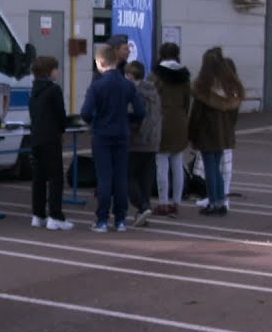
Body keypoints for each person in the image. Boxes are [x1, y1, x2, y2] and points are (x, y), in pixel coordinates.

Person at [80, 43, 144, 232]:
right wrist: (128, 120)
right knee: (120, 177)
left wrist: (95, 121)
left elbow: (85, 113)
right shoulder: (128, 85)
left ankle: (102, 219)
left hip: (102, 135)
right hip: (122, 134)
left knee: (104, 177)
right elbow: (140, 111)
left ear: (101, 62)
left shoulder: (97, 86)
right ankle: (121, 219)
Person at [187, 47, 244, 217]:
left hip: (207, 134)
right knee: (217, 169)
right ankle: (220, 201)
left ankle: (213, 202)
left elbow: (196, 115)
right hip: (224, 133)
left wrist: (191, 133)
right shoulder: (231, 88)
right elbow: (234, 115)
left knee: (210, 169)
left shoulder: (203, 88)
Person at [27, 55, 73, 231]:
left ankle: (38, 214)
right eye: (55, 68)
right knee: (55, 177)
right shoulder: (54, 90)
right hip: (51, 138)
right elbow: (60, 114)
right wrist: (63, 128)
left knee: (38, 178)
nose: (58, 71)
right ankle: (55, 216)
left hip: (36, 137)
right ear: (49, 71)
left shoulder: (34, 90)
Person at [150, 43, 190, 217]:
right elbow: (187, 101)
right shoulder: (184, 76)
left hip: (162, 122)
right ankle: (176, 202)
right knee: (177, 162)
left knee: (162, 164)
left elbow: (151, 100)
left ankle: (163, 202)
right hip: (179, 121)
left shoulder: (156, 76)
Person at [126, 60, 161, 228]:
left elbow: (134, 115)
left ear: (130, 76)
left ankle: (142, 205)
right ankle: (143, 209)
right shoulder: (153, 91)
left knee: (128, 175)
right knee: (146, 177)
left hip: (137, 140)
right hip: (153, 140)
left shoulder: (134, 92)